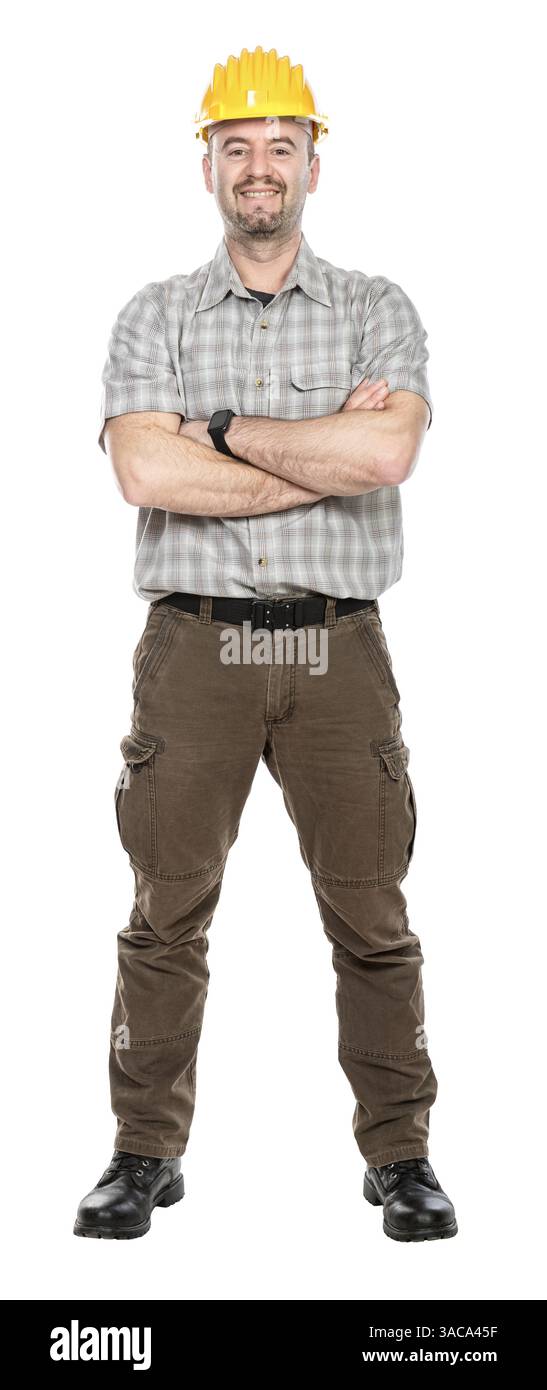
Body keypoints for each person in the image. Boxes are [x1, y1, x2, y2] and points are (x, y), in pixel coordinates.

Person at [74, 45, 457, 1243]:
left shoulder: (375, 308)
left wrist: (225, 433)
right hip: (192, 654)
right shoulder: (153, 314)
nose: (258, 168)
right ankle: (143, 1152)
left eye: (279, 146)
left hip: (339, 655)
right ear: (207, 167)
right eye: (235, 147)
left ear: (312, 163)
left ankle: (399, 1156)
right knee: (165, 909)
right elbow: (144, 466)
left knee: (370, 913)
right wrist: (316, 457)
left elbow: (386, 458)